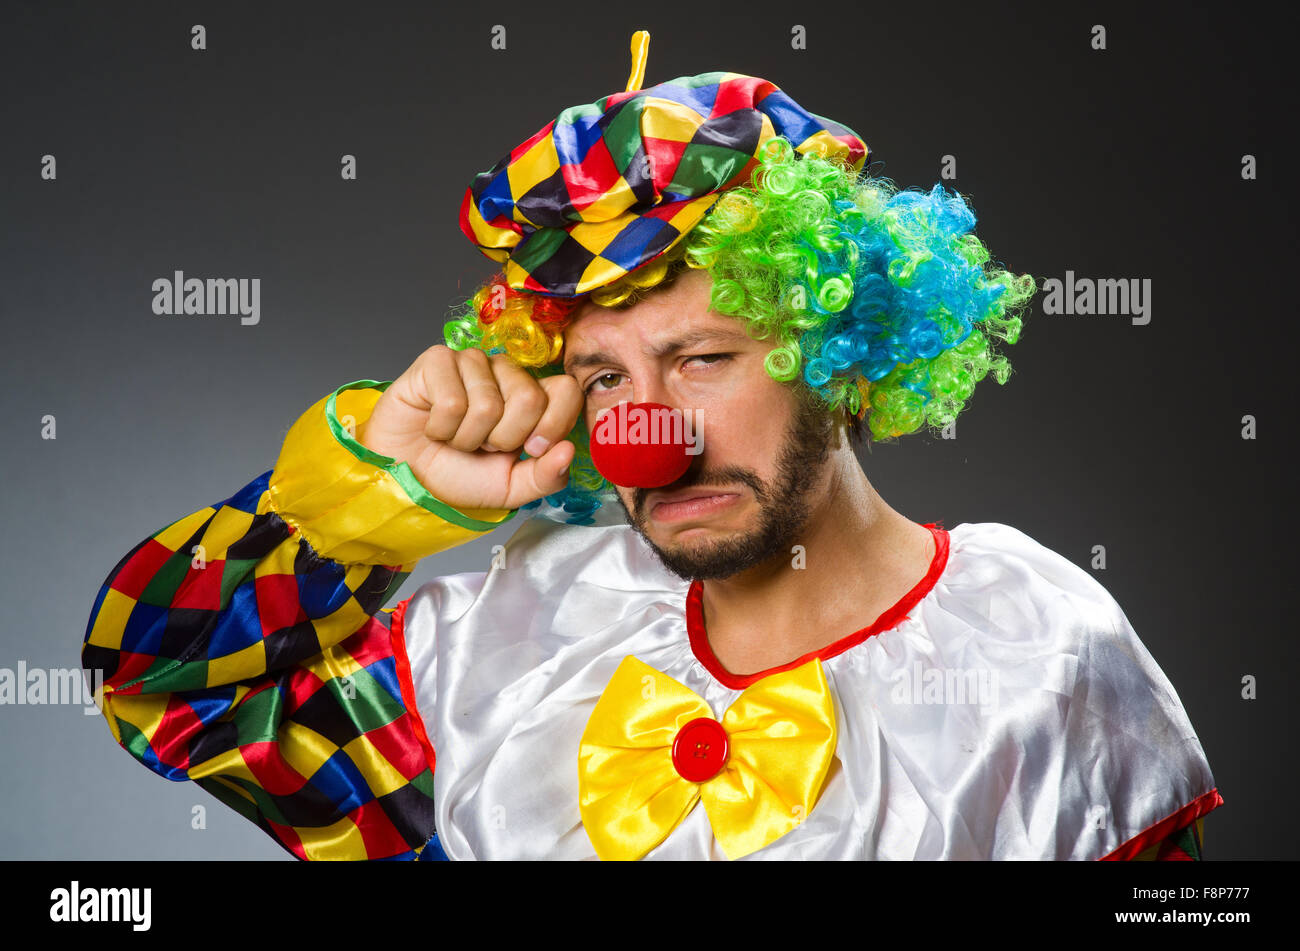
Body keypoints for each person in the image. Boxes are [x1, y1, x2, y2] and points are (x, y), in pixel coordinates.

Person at [82, 32, 1221, 860]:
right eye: (601, 378)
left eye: (705, 359)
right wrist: (377, 498)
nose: (646, 439)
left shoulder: (1034, 641)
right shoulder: (506, 646)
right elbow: (162, 686)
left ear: (845, 350)